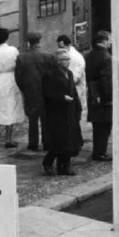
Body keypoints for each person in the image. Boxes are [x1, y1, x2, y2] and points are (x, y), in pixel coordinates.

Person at [39, 42, 84, 176]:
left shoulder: (69, 73)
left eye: (68, 59)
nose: (67, 62)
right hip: (56, 112)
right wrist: (61, 97)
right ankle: (48, 162)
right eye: (64, 60)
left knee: (69, 141)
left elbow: (73, 91)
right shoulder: (49, 74)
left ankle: (64, 167)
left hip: (69, 111)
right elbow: (47, 92)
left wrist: (77, 107)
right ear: (58, 62)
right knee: (59, 142)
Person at [0, 27, 26, 148]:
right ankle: (8, 139)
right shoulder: (13, 50)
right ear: (7, 37)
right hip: (10, 78)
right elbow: (18, 64)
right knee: (10, 106)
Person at [14, 30, 51, 151]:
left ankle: (33, 143)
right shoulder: (48, 56)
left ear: (28, 42)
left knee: (32, 119)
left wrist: (24, 88)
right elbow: (54, 74)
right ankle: (47, 142)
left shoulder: (21, 57)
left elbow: (18, 77)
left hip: (30, 91)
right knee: (46, 118)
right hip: (46, 91)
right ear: (40, 40)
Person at [85, 29, 114, 161]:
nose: (111, 42)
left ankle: (97, 151)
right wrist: (109, 98)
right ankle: (100, 152)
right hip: (103, 97)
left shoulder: (90, 54)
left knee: (97, 126)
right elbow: (106, 80)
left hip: (93, 93)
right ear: (104, 40)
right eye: (110, 39)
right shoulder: (106, 57)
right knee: (105, 126)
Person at [58, 33, 89, 118]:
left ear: (68, 45)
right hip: (70, 91)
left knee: (74, 115)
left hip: (74, 91)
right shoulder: (66, 56)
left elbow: (74, 77)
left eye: (61, 46)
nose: (59, 49)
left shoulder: (75, 57)